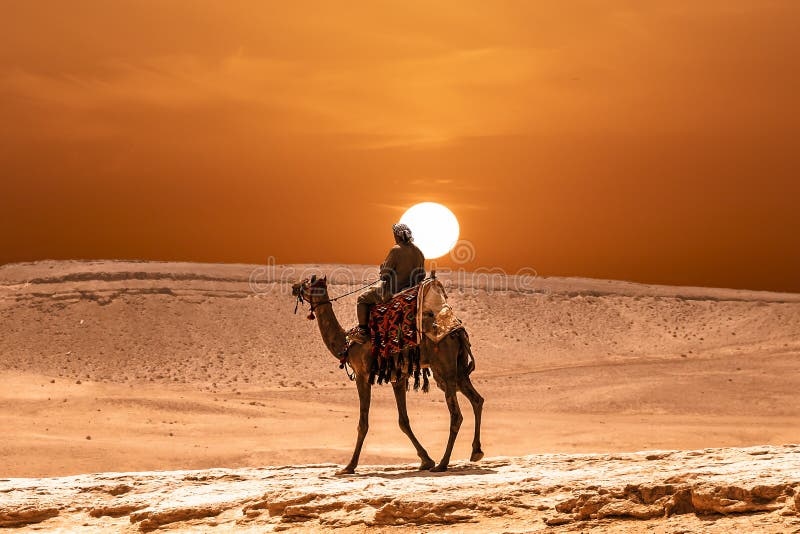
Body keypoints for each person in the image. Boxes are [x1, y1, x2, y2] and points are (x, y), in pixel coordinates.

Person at [352, 223, 426, 342]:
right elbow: (422, 275)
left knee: (362, 299)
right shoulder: (419, 251)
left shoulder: (396, 250)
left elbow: (385, 275)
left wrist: (382, 269)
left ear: (397, 236)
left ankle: (363, 331)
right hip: (412, 292)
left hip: (393, 291)